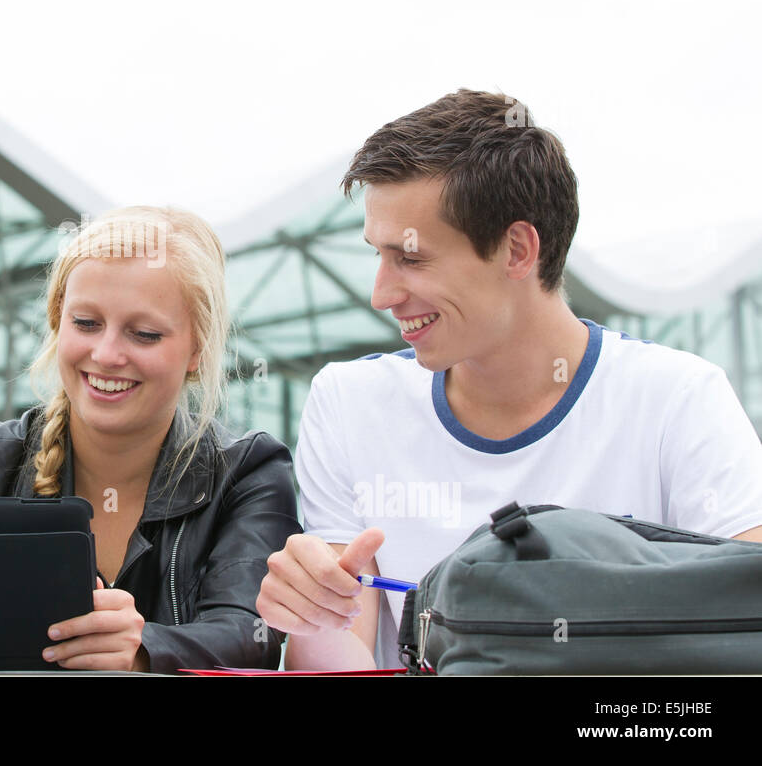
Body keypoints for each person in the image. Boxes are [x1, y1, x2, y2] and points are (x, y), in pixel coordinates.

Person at [256, 89, 762, 670]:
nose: (382, 294)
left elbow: (746, 626)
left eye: (411, 259)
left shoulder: (678, 399)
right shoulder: (349, 402)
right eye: (378, 254)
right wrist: (309, 617)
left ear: (517, 249)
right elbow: (339, 654)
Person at [0, 206, 299, 673]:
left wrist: (142, 648)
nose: (107, 354)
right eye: (86, 324)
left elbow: (253, 636)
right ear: (57, 321)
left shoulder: (248, 470)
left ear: (197, 348)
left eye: (145, 334)